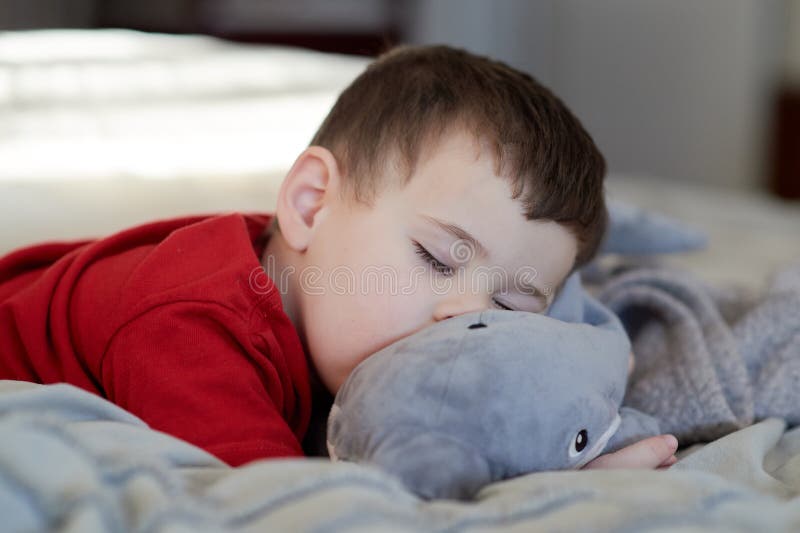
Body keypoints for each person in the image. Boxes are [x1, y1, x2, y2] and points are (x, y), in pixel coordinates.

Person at [0, 45, 677, 470]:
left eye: (509, 305)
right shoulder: (193, 325)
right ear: (311, 202)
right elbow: (276, 506)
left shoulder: (338, 322)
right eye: (438, 258)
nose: (464, 316)